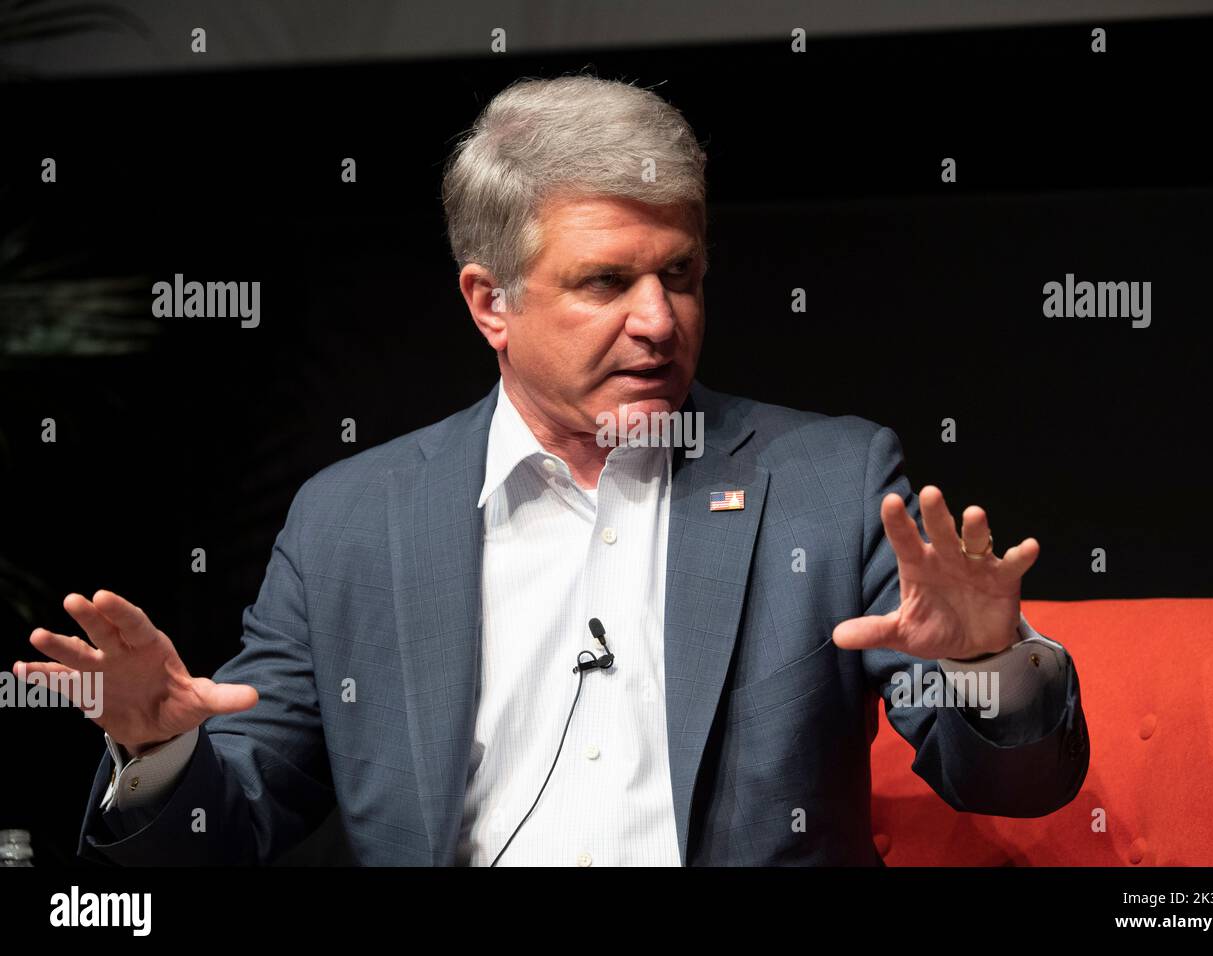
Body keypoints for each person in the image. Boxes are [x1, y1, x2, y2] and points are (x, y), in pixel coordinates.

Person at [17, 75, 1088, 866]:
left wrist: (989, 659)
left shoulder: (828, 480)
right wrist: (160, 751)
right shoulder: (353, 520)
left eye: (681, 275)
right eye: (605, 281)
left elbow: (1013, 781)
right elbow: (228, 827)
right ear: (491, 302)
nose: (658, 321)